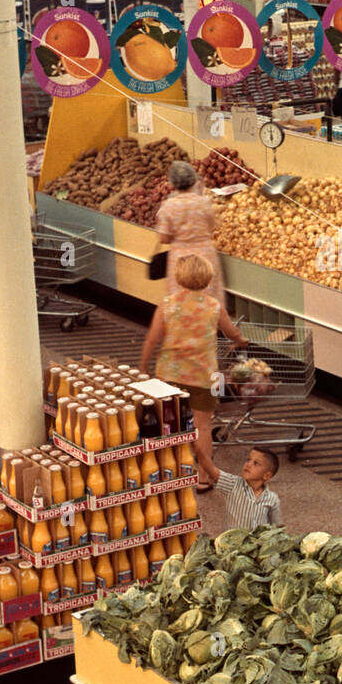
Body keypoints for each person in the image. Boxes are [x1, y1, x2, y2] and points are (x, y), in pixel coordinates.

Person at [139, 254, 248, 477]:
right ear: (208, 279)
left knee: (167, 424)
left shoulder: (168, 304)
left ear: (178, 278)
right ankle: (204, 477)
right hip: (204, 376)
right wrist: (240, 341)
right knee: (203, 427)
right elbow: (230, 331)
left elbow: (152, 339)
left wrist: (143, 367)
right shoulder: (213, 306)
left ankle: (166, 472)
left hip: (169, 375)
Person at [154, 160, 226, 309]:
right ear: (194, 180)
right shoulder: (204, 203)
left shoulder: (168, 206)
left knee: (181, 303)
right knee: (208, 302)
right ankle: (208, 329)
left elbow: (164, 238)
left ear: (172, 184)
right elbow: (213, 227)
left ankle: (187, 329)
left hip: (180, 260)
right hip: (205, 256)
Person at [197, 446, 283, 532]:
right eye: (248, 460)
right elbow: (211, 469)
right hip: (230, 543)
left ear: (267, 475)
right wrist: (198, 449)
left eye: (256, 463)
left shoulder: (272, 499)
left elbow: (277, 528)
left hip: (257, 544)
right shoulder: (233, 484)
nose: (248, 464)